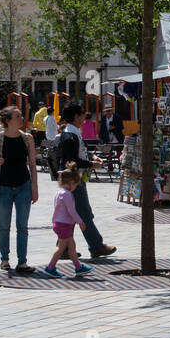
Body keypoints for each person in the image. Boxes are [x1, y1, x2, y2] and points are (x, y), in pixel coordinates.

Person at [0, 106, 40, 273]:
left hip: (24, 185)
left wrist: (35, 187)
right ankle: (5, 259)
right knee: (4, 226)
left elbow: (32, 163)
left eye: (21, 115)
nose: (21, 118)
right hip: (3, 187)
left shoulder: (28, 138)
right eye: (18, 116)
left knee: (22, 226)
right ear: (8, 120)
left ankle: (22, 262)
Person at [58, 103, 116, 259]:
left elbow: (80, 152)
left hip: (76, 180)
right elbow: (72, 160)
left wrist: (91, 157)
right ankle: (96, 246)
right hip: (74, 181)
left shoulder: (74, 133)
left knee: (72, 214)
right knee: (84, 213)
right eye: (83, 113)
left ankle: (63, 248)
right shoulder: (70, 136)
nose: (85, 116)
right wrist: (91, 164)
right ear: (76, 116)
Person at [44, 162, 93, 278]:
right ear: (71, 183)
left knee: (71, 246)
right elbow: (72, 211)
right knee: (61, 248)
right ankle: (50, 267)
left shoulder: (59, 192)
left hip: (60, 224)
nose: (75, 187)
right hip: (64, 225)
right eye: (76, 185)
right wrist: (80, 222)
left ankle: (78, 267)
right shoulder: (67, 195)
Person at [44, 107, 60, 182]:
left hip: (47, 135)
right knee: (54, 148)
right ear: (52, 112)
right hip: (53, 135)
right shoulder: (52, 118)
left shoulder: (46, 118)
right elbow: (56, 126)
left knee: (49, 147)